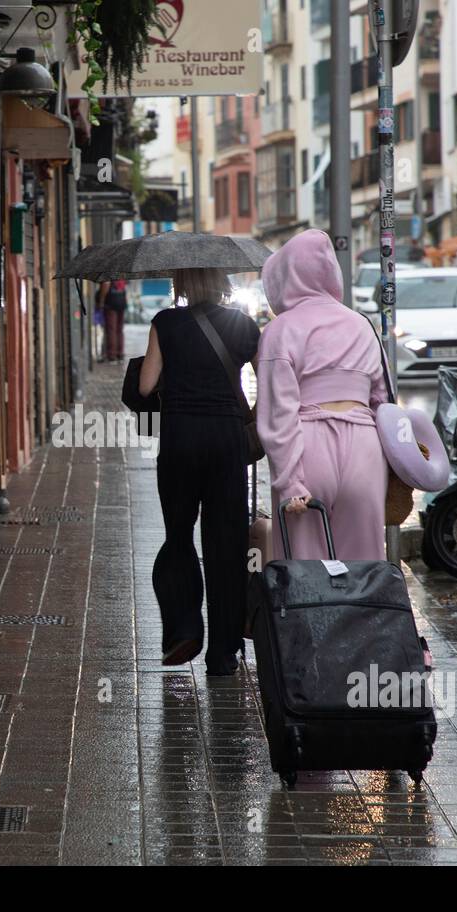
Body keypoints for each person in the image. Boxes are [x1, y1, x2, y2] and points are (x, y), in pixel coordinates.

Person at [139, 268, 260, 674]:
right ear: (221, 281)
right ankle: (223, 654)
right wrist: (251, 419)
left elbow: (145, 386)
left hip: (179, 438)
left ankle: (185, 629)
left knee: (178, 534)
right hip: (227, 439)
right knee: (226, 542)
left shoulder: (165, 322)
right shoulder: (243, 324)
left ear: (183, 283)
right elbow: (271, 384)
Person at [256, 229, 388, 561]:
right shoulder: (361, 325)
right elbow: (383, 400)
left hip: (308, 446)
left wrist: (290, 483)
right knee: (364, 567)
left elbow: (278, 414)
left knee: (306, 572)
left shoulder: (280, 330)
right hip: (364, 447)